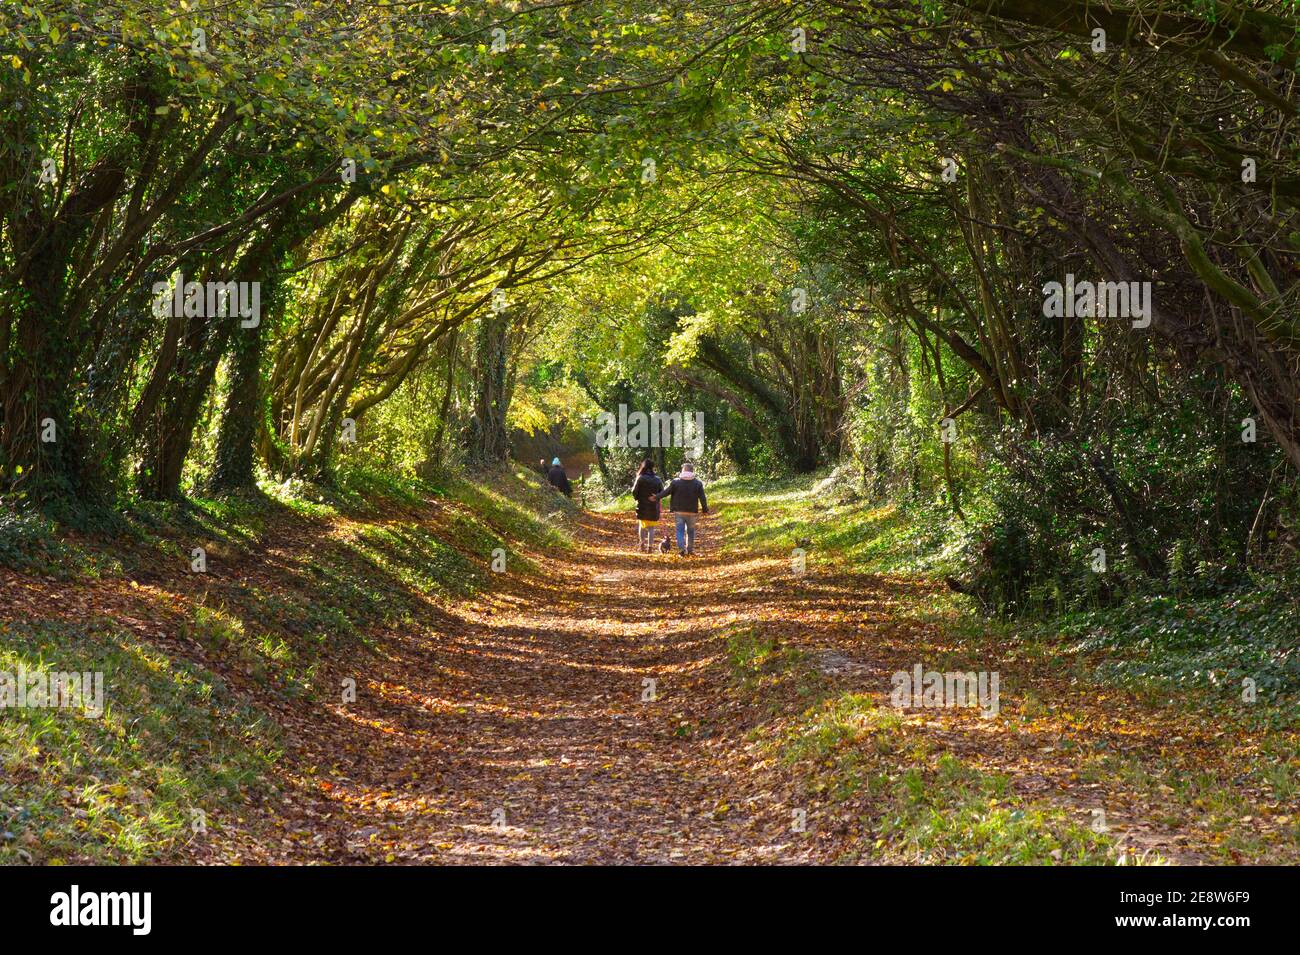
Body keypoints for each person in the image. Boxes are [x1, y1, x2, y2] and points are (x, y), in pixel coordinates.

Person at [659, 460, 708, 556]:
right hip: (692, 512)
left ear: (683, 471)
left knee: (680, 531)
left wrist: (656, 497)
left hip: (679, 511)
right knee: (690, 531)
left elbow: (666, 492)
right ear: (692, 471)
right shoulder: (697, 483)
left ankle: (682, 549)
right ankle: (689, 550)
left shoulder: (676, 482)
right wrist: (705, 509)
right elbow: (702, 497)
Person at [630, 459, 663, 553]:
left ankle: (642, 545)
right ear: (652, 467)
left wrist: (637, 498)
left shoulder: (640, 478)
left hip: (642, 506)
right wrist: (656, 498)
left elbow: (634, 491)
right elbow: (662, 492)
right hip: (654, 507)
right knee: (651, 528)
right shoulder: (657, 479)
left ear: (643, 467)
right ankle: (650, 547)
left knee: (642, 526)